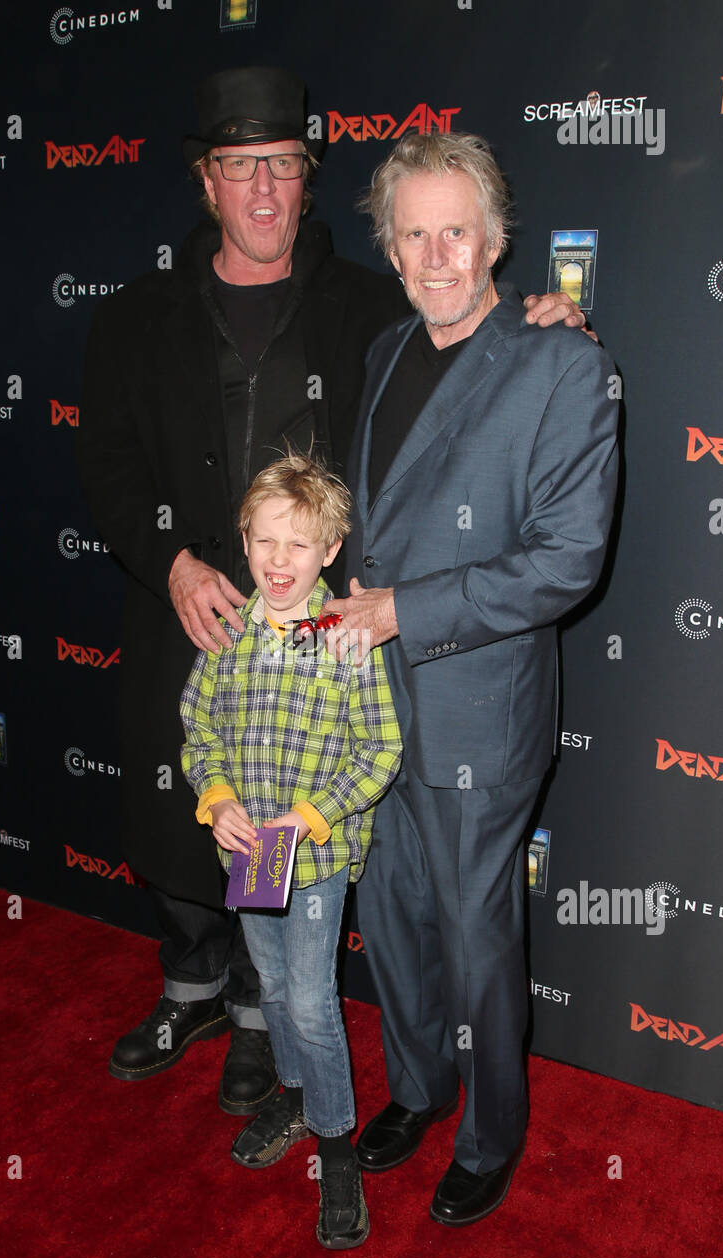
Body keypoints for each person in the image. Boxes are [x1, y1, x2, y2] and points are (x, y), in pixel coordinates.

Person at [76, 64, 589, 1117]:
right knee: (231, 835)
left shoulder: (372, 310)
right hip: (231, 630)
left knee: (396, 885)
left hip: (356, 649)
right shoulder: (145, 318)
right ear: (207, 181)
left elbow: (478, 355)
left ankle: (307, 1037)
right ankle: (221, 1001)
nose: (263, 187)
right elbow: (110, 464)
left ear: (307, 178)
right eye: (240, 166)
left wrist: (552, 315)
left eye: (283, 163)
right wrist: (172, 562)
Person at [322, 130, 619, 1227]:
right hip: (374, 700)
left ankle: (491, 1133)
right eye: (415, 235)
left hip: (476, 713)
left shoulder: (562, 364)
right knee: (393, 912)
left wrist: (401, 610)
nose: (437, 255)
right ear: (389, 246)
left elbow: (565, 563)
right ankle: (417, 1086)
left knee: (476, 935)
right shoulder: (384, 350)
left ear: (496, 240)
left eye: (457, 232)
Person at [180, 453, 402, 1248]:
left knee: (310, 1001)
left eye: (299, 544)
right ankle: (298, 1096)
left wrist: (310, 817)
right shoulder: (227, 633)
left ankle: (337, 1147)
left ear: (330, 549)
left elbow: (380, 751)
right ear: (243, 541)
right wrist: (216, 798)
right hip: (247, 857)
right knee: (271, 985)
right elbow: (198, 730)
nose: (279, 561)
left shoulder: (345, 637)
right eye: (265, 541)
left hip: (315, 862)